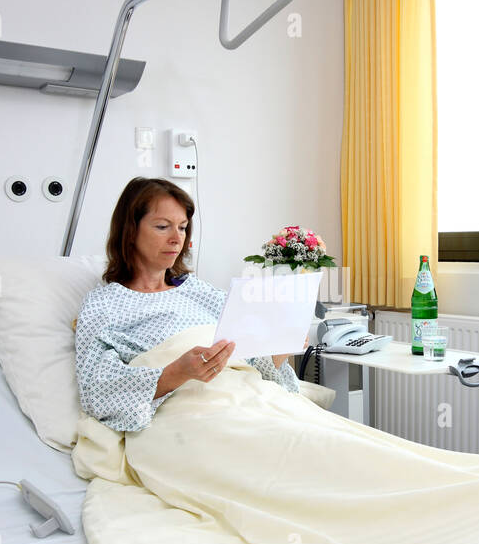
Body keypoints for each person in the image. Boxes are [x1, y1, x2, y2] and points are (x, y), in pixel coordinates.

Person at [75, 177, 307, 432]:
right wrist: (176, 372)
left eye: (183, 227)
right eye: (163, 227)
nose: (177, 239)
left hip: (249, 400)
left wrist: (279, 350)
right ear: (130, 232)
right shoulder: (104, 304)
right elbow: (95, 391)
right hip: (190, 419)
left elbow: (249, 360)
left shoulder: (200, 291)